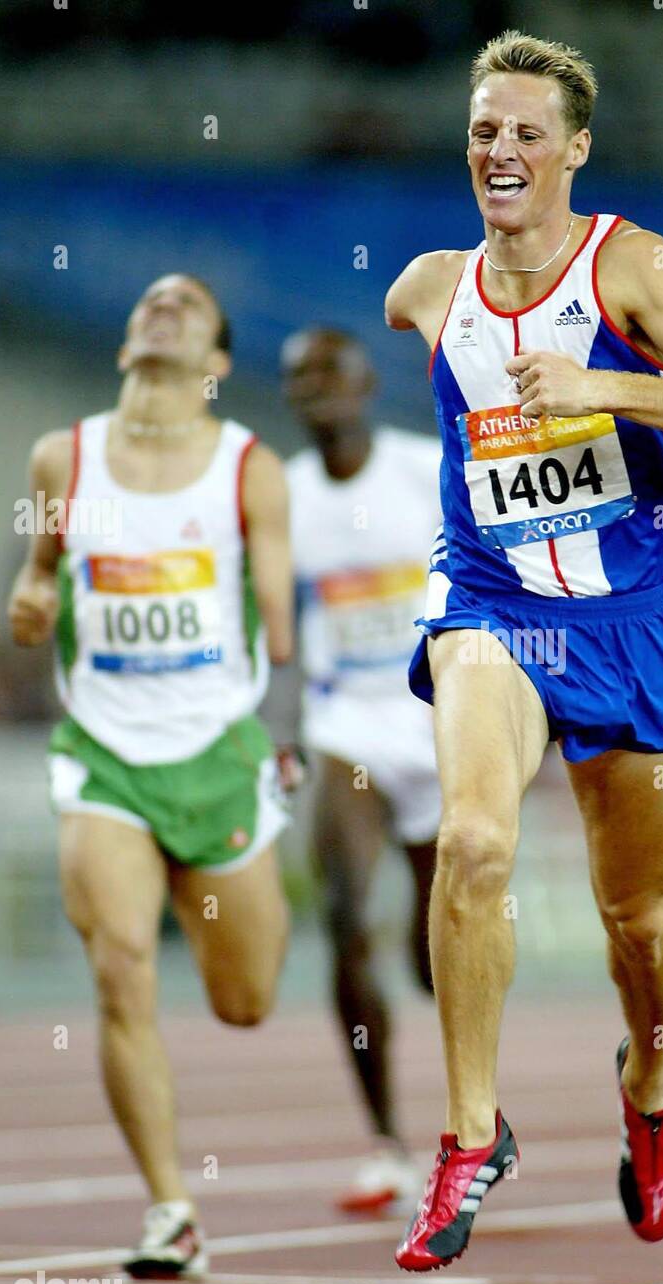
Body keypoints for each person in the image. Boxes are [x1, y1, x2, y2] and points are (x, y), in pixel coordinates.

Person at [383, 29, 663, 1271]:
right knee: (473, 842)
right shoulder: (424, 289)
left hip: (631, 624)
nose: (499, 149)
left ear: (573, 149)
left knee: (639, 922)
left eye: (523, 131)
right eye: (483, 130)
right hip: (492, 606)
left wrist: (608, 389)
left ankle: (650, 1096)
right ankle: (467, 1133)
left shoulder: (633, 267)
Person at [7, 273, 293, 1279]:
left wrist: (287, 738)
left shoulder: (249, 469)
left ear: (216, 362)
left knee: (247, 997)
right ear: (129, 340)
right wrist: (32, 593)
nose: (161, 306)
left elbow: (282, 629)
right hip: (104, 756)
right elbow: (40, 567)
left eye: (189, 305)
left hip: (218, 753)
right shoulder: (63, 455)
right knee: (121, 963)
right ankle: (171, 1206)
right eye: (149, 301)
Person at [281, 325, 442, 1213]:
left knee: (436, 955)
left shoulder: (425, 469)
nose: (317, 388)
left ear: (367, 381)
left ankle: (475, 1121)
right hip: (345, 723)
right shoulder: (283, 496)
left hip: (441, 719)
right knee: (344, 913)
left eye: (331, 371)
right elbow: (264, 618)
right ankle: (386, 1142)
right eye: (299, 377)